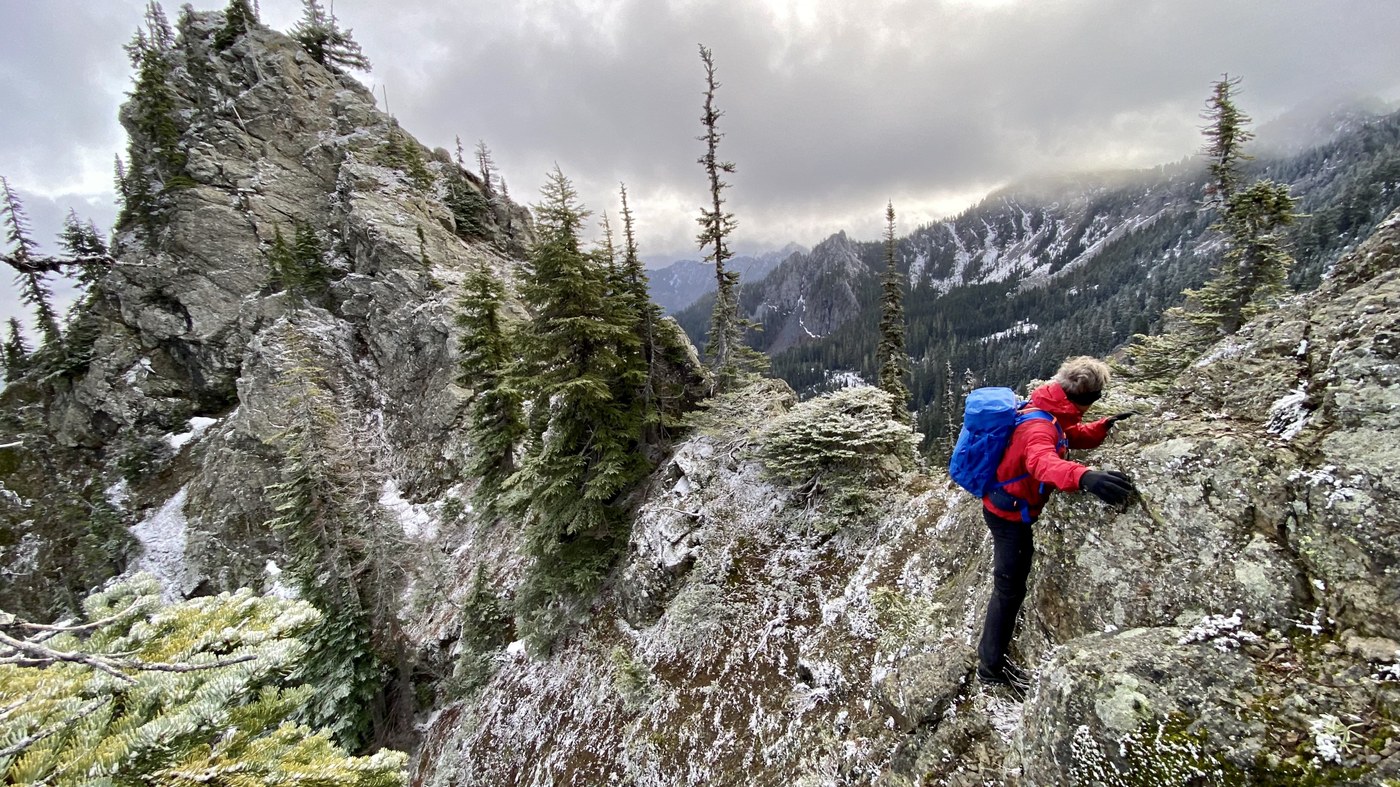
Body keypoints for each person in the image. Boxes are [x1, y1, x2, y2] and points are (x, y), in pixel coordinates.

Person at [976, 355, 1136, 692]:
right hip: (1009, 516)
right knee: (1009, 589)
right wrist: (1085, 476)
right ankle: (990, 667)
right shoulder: (1039, 425)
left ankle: (992, 661)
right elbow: (1041, 461)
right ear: (1087, 398)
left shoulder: (1048, 403)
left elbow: (1067, 435)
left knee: (1011, 586)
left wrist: (1101, 427)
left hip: (1008, 503)